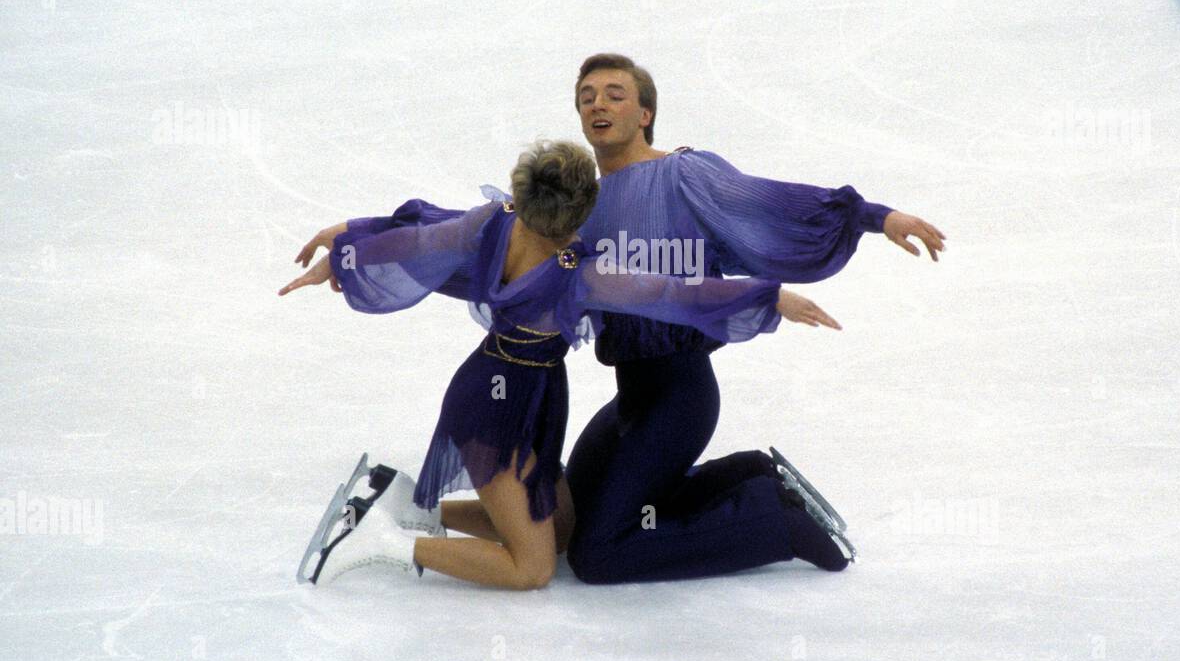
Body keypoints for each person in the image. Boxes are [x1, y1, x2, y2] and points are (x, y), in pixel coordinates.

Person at [279, 141, 841, 590]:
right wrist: (768, 299)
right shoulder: (581, 271)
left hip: (524, 397)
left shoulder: (490, 222)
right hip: (494, 411)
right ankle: (380, 543)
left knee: (565, 527)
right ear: (582, 211)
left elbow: (419, 237)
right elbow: (675, 292)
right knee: (533, 569)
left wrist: (350, 241)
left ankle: (407, 504)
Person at [563, 53, 948, 584]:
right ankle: (754, 477)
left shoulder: (682, 174)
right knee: (577, 508)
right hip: (631, 399)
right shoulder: (585, 205)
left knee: (597, 554)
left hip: (679, 398)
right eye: (587, 97)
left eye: (614, 94)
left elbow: (771, 204)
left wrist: (874, 217)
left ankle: (777, 524)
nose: (598, 104)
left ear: (645, 113)